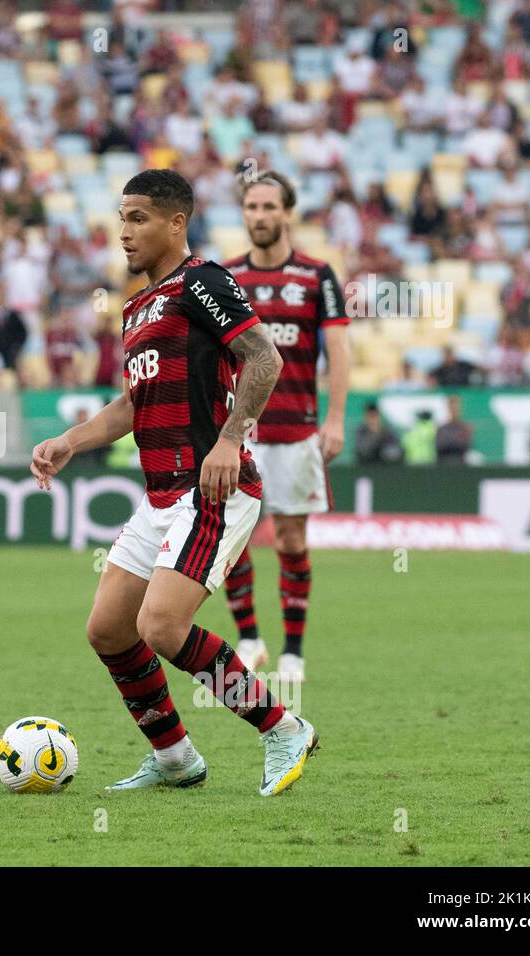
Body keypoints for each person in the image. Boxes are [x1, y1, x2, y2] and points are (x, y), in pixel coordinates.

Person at [30, 169, 317, 797]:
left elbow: (264, 358)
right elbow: (132, 406)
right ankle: (176, 757)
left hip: (212, 486)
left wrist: (229, 436)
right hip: (160, 493)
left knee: (161, 626)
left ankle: (283, 728)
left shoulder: (203, 282)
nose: (124, 233)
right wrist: (69, 441)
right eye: (121, 219)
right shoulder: (137, 307)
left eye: (138, 219)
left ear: (175, 222)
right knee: (107, 629)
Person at [219, 170, 350, 684]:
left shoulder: (317, 276)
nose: (260, 216)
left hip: (297, 431)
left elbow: (338, 352)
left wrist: (335, 418)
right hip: (239, 433)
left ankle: (293, 650)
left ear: (288, 213)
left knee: (292, 540)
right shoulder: (227, 277)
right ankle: (251, 639)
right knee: (231, 540)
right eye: (252, 207)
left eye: (270, 206)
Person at [436, 395, 473, 464]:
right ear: (448, 408)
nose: (454, 410)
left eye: (456, 407)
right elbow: (440, 447)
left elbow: (465, 446)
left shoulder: (465, 428)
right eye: (452, 407)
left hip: (461, 464)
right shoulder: (442, 428)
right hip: (444, 464)